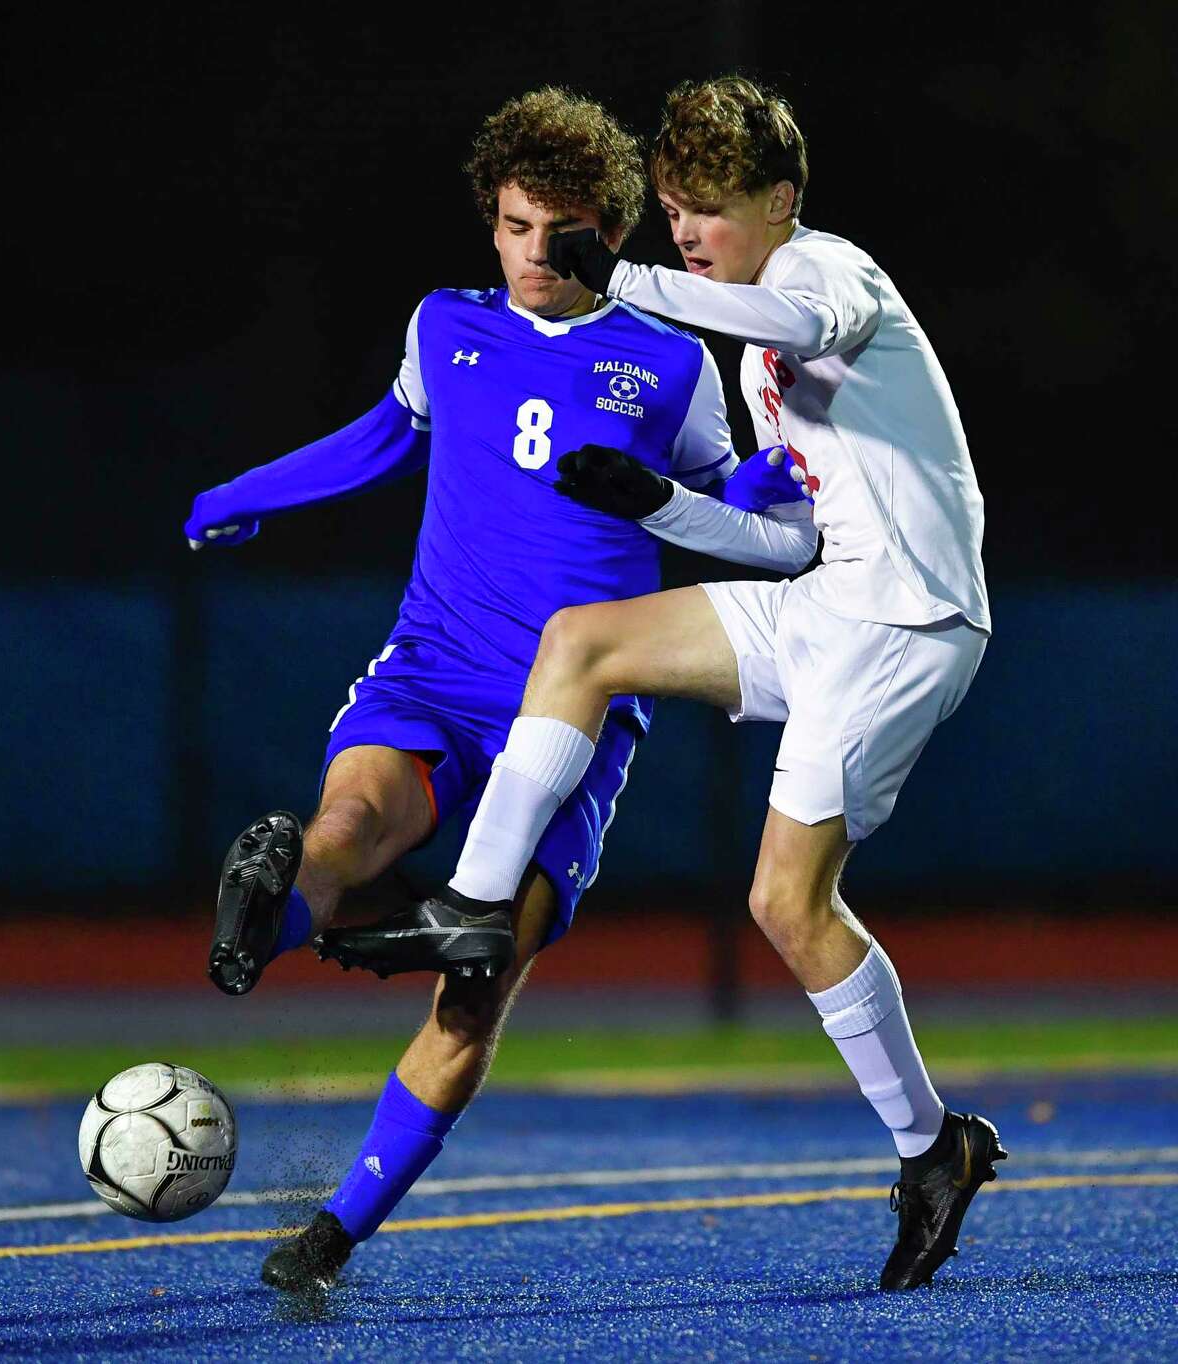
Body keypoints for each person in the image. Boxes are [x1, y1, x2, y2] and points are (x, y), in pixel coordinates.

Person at [184, 86, 814, 1295]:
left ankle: (332, 1231)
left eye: (561, 230)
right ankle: (266, 915)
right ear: (493, 223)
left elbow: (731, 502)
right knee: (347, 825)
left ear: (607, 236)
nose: (537, 252)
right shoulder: (445, 329)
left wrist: (788, 486)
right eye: (517, 225)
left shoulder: (671, 364)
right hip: (436, 666)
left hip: (579, 707)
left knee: (478, 982)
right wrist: (239, 492)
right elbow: (379, 438)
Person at [394, 76, 1007, 1292]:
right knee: (583, 639)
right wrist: (659, 504)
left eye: (710, 208)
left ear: (781, 200)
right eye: (672, 210)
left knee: (787, 903)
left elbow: (806, 325)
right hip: (830, 601)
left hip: (906, 623)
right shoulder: (749, 347)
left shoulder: (832, 277)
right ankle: (469, 904)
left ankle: (935, 1146)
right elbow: (784, 540)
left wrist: (619, 280)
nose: (685, 231)